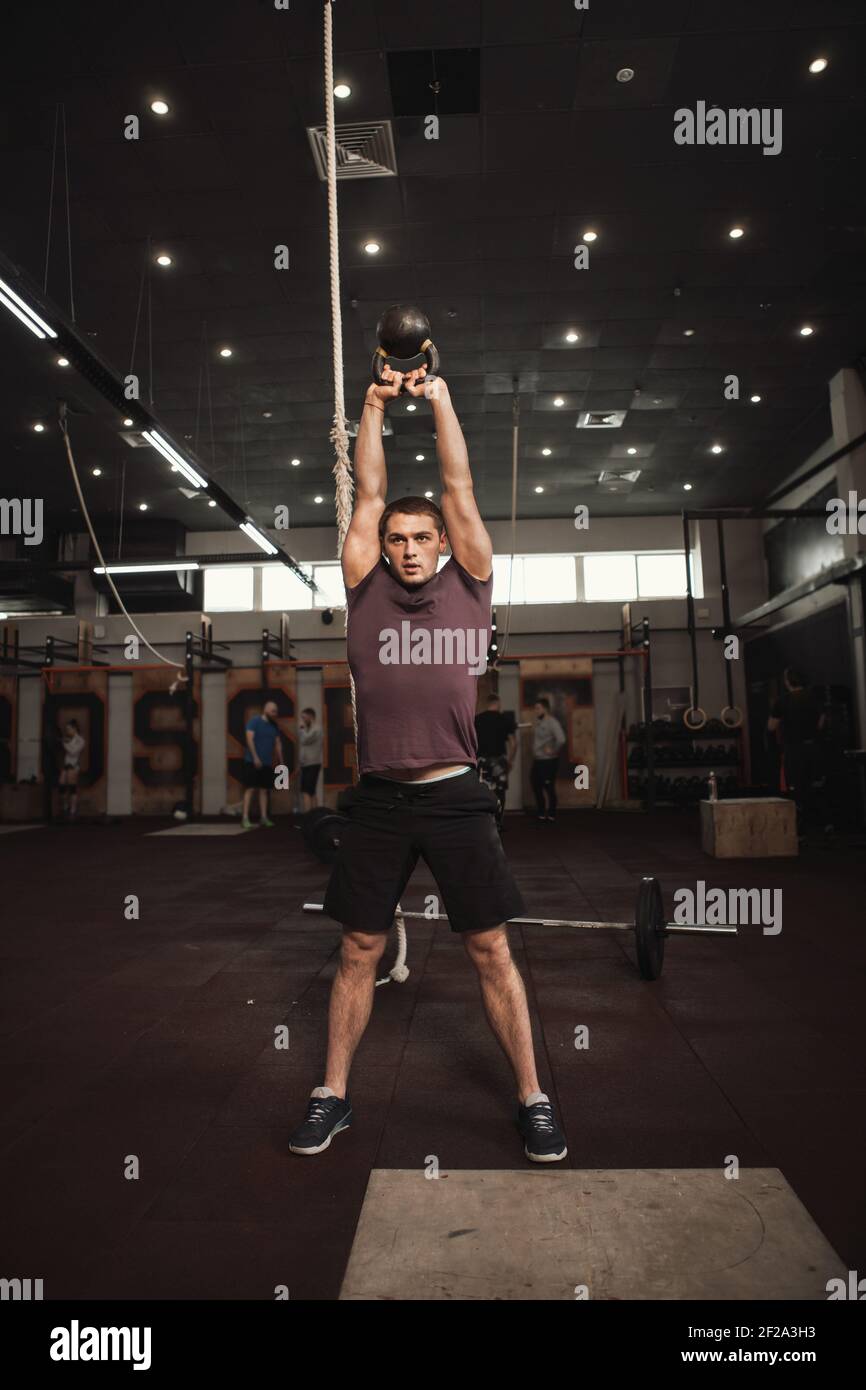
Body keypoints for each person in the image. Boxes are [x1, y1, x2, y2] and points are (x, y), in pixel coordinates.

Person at [289, 362, 567, 1164]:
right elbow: (369, 493)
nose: (408, 550)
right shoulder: (363, 585)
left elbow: (460, 486)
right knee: (358, 951)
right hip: (378, 801)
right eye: (397, 540)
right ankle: (332, 1096)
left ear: (443, 544)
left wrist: (439, 398)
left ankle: (533, 1097)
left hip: (454, 796)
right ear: (381, 548)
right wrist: (373, 405)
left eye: (421, 539)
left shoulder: (470, 582)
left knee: (490, 950)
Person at [767, 667, 826, 833]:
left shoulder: (782, 701)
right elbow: (821, 722)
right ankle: (826, 826)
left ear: (787, 681)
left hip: (794, 751)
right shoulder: (814, 698)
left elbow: (771, 727)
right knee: (817, 786)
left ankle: (799, 831)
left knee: (796, 790)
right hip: (813, 748)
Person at [474, 691, 516, 831]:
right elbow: (513, 743)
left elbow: (471, 742)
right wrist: (510, 761)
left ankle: (483, 823)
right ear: (498, 704)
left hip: (483, 761)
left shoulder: (477, 719)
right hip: (499, 761)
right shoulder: (505, 719)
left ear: (487, 704)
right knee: (500, 792)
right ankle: (498, 823)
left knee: (483, 792)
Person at [241, 700, 284, 829]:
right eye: (273, 711)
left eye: (276, 711)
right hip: (252, 761)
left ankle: (264, 817)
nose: (275, 713)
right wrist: (255, 757)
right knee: (250, 789)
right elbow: (249, 739)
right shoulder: (255, 721)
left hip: (267, 762)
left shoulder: (274, 726)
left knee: (264, 790)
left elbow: (277, 743)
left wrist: (281, 761)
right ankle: (245, 818)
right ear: (266, 710)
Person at [530, 697, 566, 822]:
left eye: (538, 708)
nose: (535, 710)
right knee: (535, 784)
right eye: (535, 708)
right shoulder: (538, 722)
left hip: (548, 761)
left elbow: (561, 739)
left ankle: (551, 814)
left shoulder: (552, 722)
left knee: (548, 786)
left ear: (545, 709)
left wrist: (553, 750)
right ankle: (541, 812)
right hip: (538, 760)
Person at [298, 707, 323, 812]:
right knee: (311, 792)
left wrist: (302, 729)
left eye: (304, 717)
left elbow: (305, 739)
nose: (302, 720)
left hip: (312, 764)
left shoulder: (316, 729)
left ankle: (308, 818)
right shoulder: (308, 729)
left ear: (311, 717)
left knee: (307, 792)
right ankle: (314, 817)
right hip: (306, 764)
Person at [59, 719, 85, 820]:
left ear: (74, 728)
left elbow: (73, 752)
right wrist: (64, 741)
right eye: (66, 729)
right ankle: (65, 807)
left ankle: (73, 810)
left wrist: (65, 744)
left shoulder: (81, 740)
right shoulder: (67, 738)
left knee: (72, 787)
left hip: (74, 765)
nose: (67, 731)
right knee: (61, 784)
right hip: (66, 765)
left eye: (69, 729)